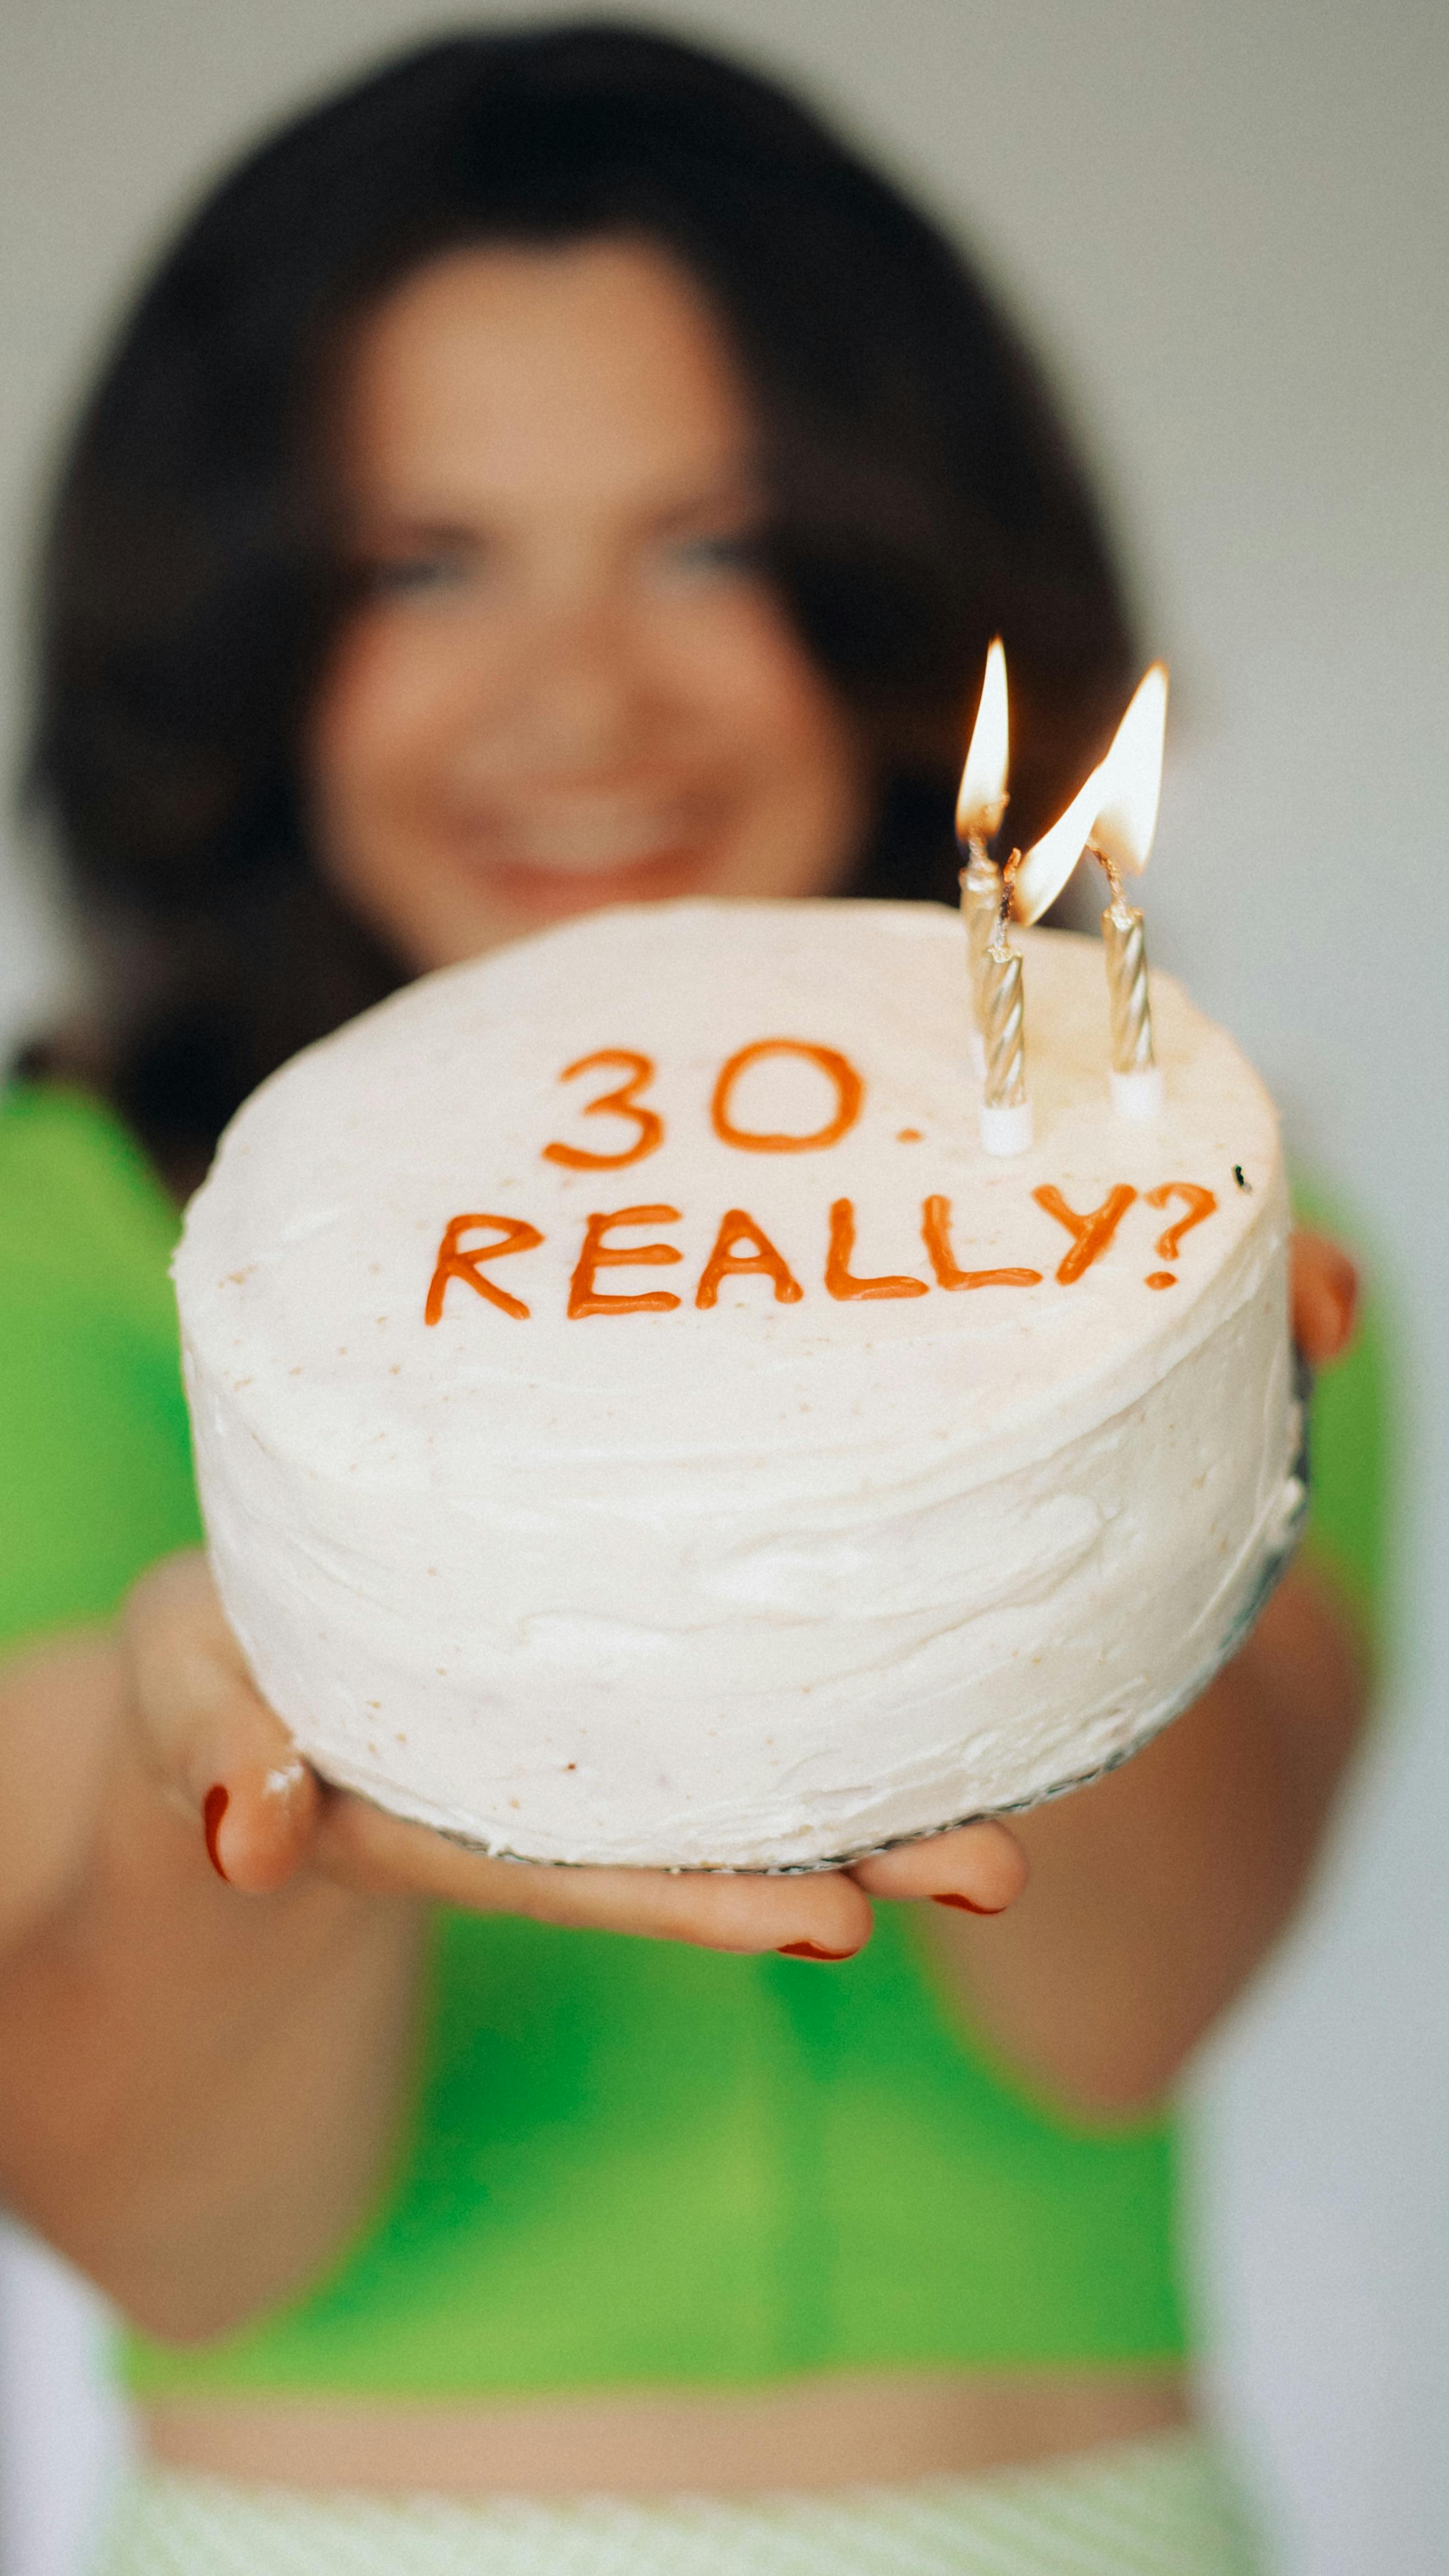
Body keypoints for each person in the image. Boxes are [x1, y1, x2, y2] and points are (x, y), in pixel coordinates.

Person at [0, 26, 1381, 2575]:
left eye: (712, 545)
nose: (581, 704)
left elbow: (1124, 2015)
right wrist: (250, 1733)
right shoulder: (62, 1244)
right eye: (425, 563)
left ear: (901, 578)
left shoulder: (1170, 1193)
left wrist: (1091, 1398)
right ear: (234, 629)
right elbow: (182, 2234)